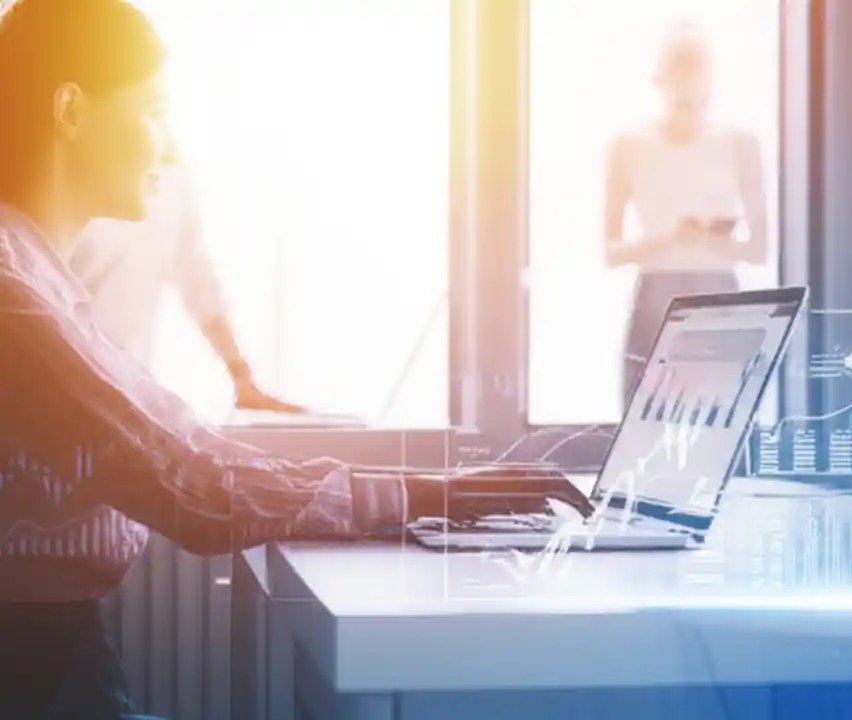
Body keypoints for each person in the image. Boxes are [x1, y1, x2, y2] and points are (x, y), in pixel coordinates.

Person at [0, 2, 590, 716]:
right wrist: (432, 495)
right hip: (33, 667)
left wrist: (430, 487)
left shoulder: (39, 277)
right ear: (70, 109)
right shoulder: (12, 295)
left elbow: (180, 446)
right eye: (154, 111)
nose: (168, 150)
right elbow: (192, 486)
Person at [604, 21, 768, 405]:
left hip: (720, 298)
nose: (687, 80)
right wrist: (672, 237)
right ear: (660, 76)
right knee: (646, 429)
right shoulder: (629, 146)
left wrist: (707, 239)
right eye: (678, 66)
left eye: (695, 67)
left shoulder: (740, 144)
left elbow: (759, 249)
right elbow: (611, 251)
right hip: (656, 299)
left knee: (723, 422)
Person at [72, 167, 302, 412]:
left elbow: (198, 283)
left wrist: (240, 375)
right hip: (68, 380)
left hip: (129, 388)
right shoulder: (82, 167)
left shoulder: (173, 181)